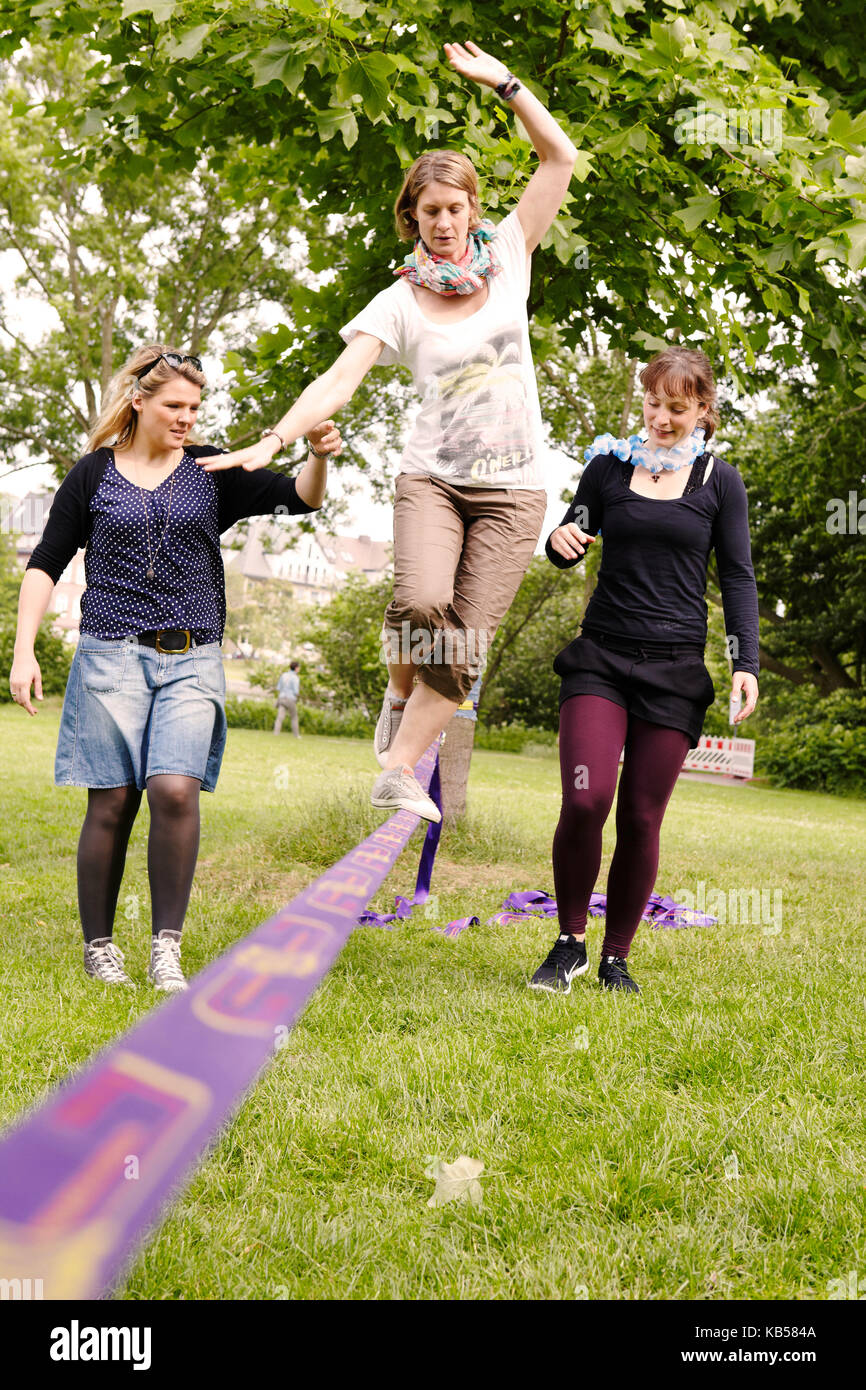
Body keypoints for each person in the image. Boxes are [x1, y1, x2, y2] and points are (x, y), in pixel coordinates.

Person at [199, 38, 579, 822]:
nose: (443, 222)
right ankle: (400, 683)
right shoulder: (398, 300)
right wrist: (272, 441)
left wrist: (504, 84)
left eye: (455, 208)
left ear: (475, 209)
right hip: (433, 479)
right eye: (429, 211)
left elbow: (560, 158)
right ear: (414, 217)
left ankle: (398, 767)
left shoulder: (510, 255)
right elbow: (340, 380)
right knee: (420, 603)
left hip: (515, 492)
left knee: (463, 642)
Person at [8, 345, 339, 991]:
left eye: (194, 407)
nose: (187, 418)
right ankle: (100, 947)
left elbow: (299, 498)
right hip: (110, 653)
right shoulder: (94, 474)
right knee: (110, 803)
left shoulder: (212, 471)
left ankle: (166, 949)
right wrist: (24, 651)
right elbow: (45, 561)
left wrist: (319, 456)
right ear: (139, 402)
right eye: (174, 406)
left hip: (191, 655)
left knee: (174, 789)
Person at [529, 347, 760, 996]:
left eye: (677, 409)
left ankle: (615, 957)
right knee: (586, 798)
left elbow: (738, 578)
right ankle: (569, 942)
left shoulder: (720, 482)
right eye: (653, 403)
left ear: (704, 411)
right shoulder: (607, 465)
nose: (660, 418)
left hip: (675, 671)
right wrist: (559, 541)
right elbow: (571, 538)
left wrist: (747, 661)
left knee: (640, 817)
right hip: (600, 660)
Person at [274, 660, 301, 736]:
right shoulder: (295, 678)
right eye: (299, 668)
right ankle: (296, 735)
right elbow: (296, 691)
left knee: (280, 717)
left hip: (282, 698)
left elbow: (278, 688)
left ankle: (276, 733)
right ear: (296, 668)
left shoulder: (283, 675)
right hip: (290, 699)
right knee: (294, 717)